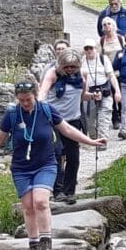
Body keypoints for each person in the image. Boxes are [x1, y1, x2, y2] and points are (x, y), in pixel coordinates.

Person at [0, 79, 105, 250]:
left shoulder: (46, 110)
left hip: (45, 164)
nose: (25, 103)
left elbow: (67, 129)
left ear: (35, 95)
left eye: (28, 99)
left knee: (41, 202)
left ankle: (46, 243)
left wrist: (91, 141)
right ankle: (33, 245)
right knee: (28, 206)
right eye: (21, 100)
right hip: (21, 168)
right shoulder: (12, 114)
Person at [42, 53, 87, 202]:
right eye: (66, 67)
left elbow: (83, 95)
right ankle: (58, 191)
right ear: (60, 66)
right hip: (54, 122)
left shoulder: (82, 75)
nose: (70, 69)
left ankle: (70, 192)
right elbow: (43, 92)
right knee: (56, 155)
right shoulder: (53, 73)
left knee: (73, 157)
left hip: (73, 121)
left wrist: (94, 96)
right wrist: (39, 104)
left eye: (73, 67)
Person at [79, 43, 118, 141]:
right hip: (89, 94)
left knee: (103, 119)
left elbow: (111, 76)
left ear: (96, 49)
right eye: (86, 48)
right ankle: (94, 138)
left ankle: (102, 142)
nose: (89, 50)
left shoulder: (103, 59)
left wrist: (117, 91)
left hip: (104, 92)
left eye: (91, 48)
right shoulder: (82, 61)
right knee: (90, 121)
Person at [98, 17, 126, 132]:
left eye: (109, 24)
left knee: (121, 94)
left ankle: (122, 115)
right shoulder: (101, 41)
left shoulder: (121, 39)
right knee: (111, 95)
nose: (107, 26)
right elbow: (99, 57)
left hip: (120, 72)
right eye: (104, 24)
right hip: (108, 73)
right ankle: (115, 118)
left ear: (114, 26)